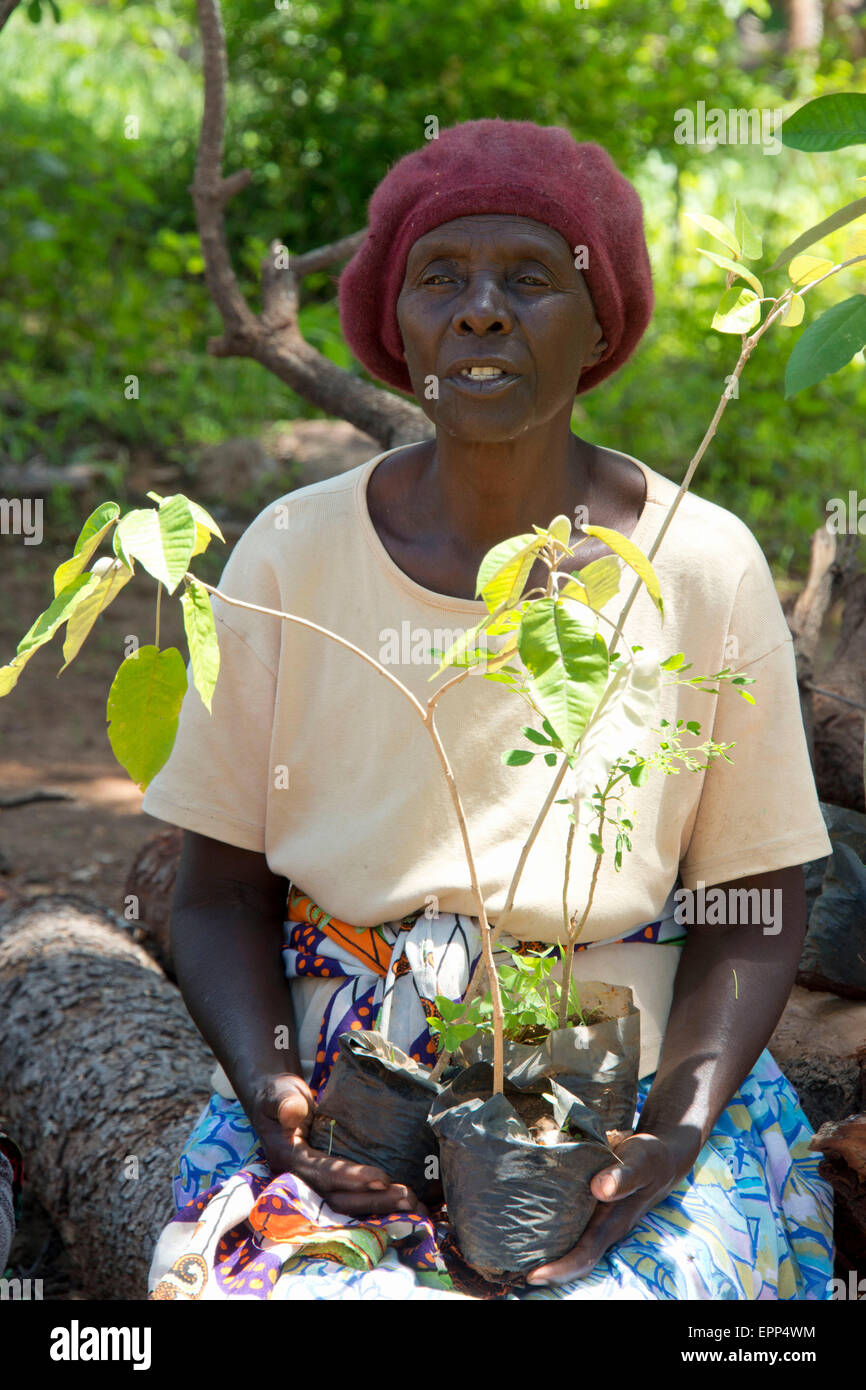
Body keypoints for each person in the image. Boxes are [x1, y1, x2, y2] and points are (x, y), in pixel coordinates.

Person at [142, 119, 834, 1301]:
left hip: (625, 1079)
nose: (479, 312)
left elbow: (755, 904)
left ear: (601, 325)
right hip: (345, 1090)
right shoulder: (291, 554)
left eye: (529, 279)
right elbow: (213, 891)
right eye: (440, 279)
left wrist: (672, 1137)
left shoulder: (696, 562)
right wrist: (274, 1099)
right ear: (392, 328)